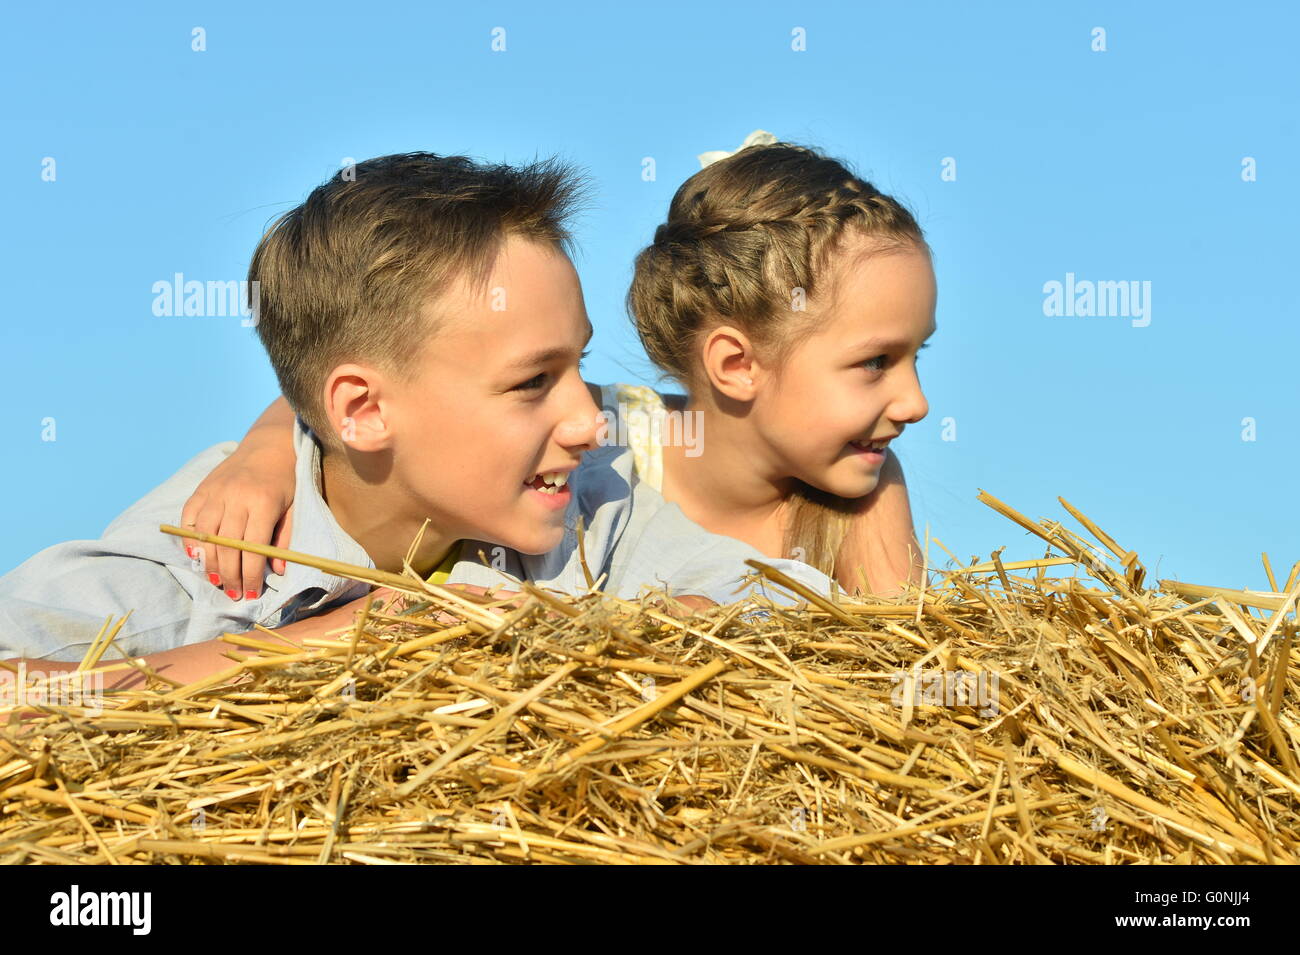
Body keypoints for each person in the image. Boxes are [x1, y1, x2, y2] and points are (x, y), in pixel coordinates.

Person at [0, 152, 833, 687]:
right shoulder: (216, 556)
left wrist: (614, 622)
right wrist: (332, 644)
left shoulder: (589, 513)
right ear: (361, 411)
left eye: (578, 363)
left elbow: (813, 616)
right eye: (531, 382)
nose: (588, 420)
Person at [185, 140, 933, 604]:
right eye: (876, 362)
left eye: (914, 356)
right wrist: (261, 456)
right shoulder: (601, 436)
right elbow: (386, 391)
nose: (916, 402)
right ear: (735, 364)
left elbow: (900, 675)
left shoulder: (862, 495)